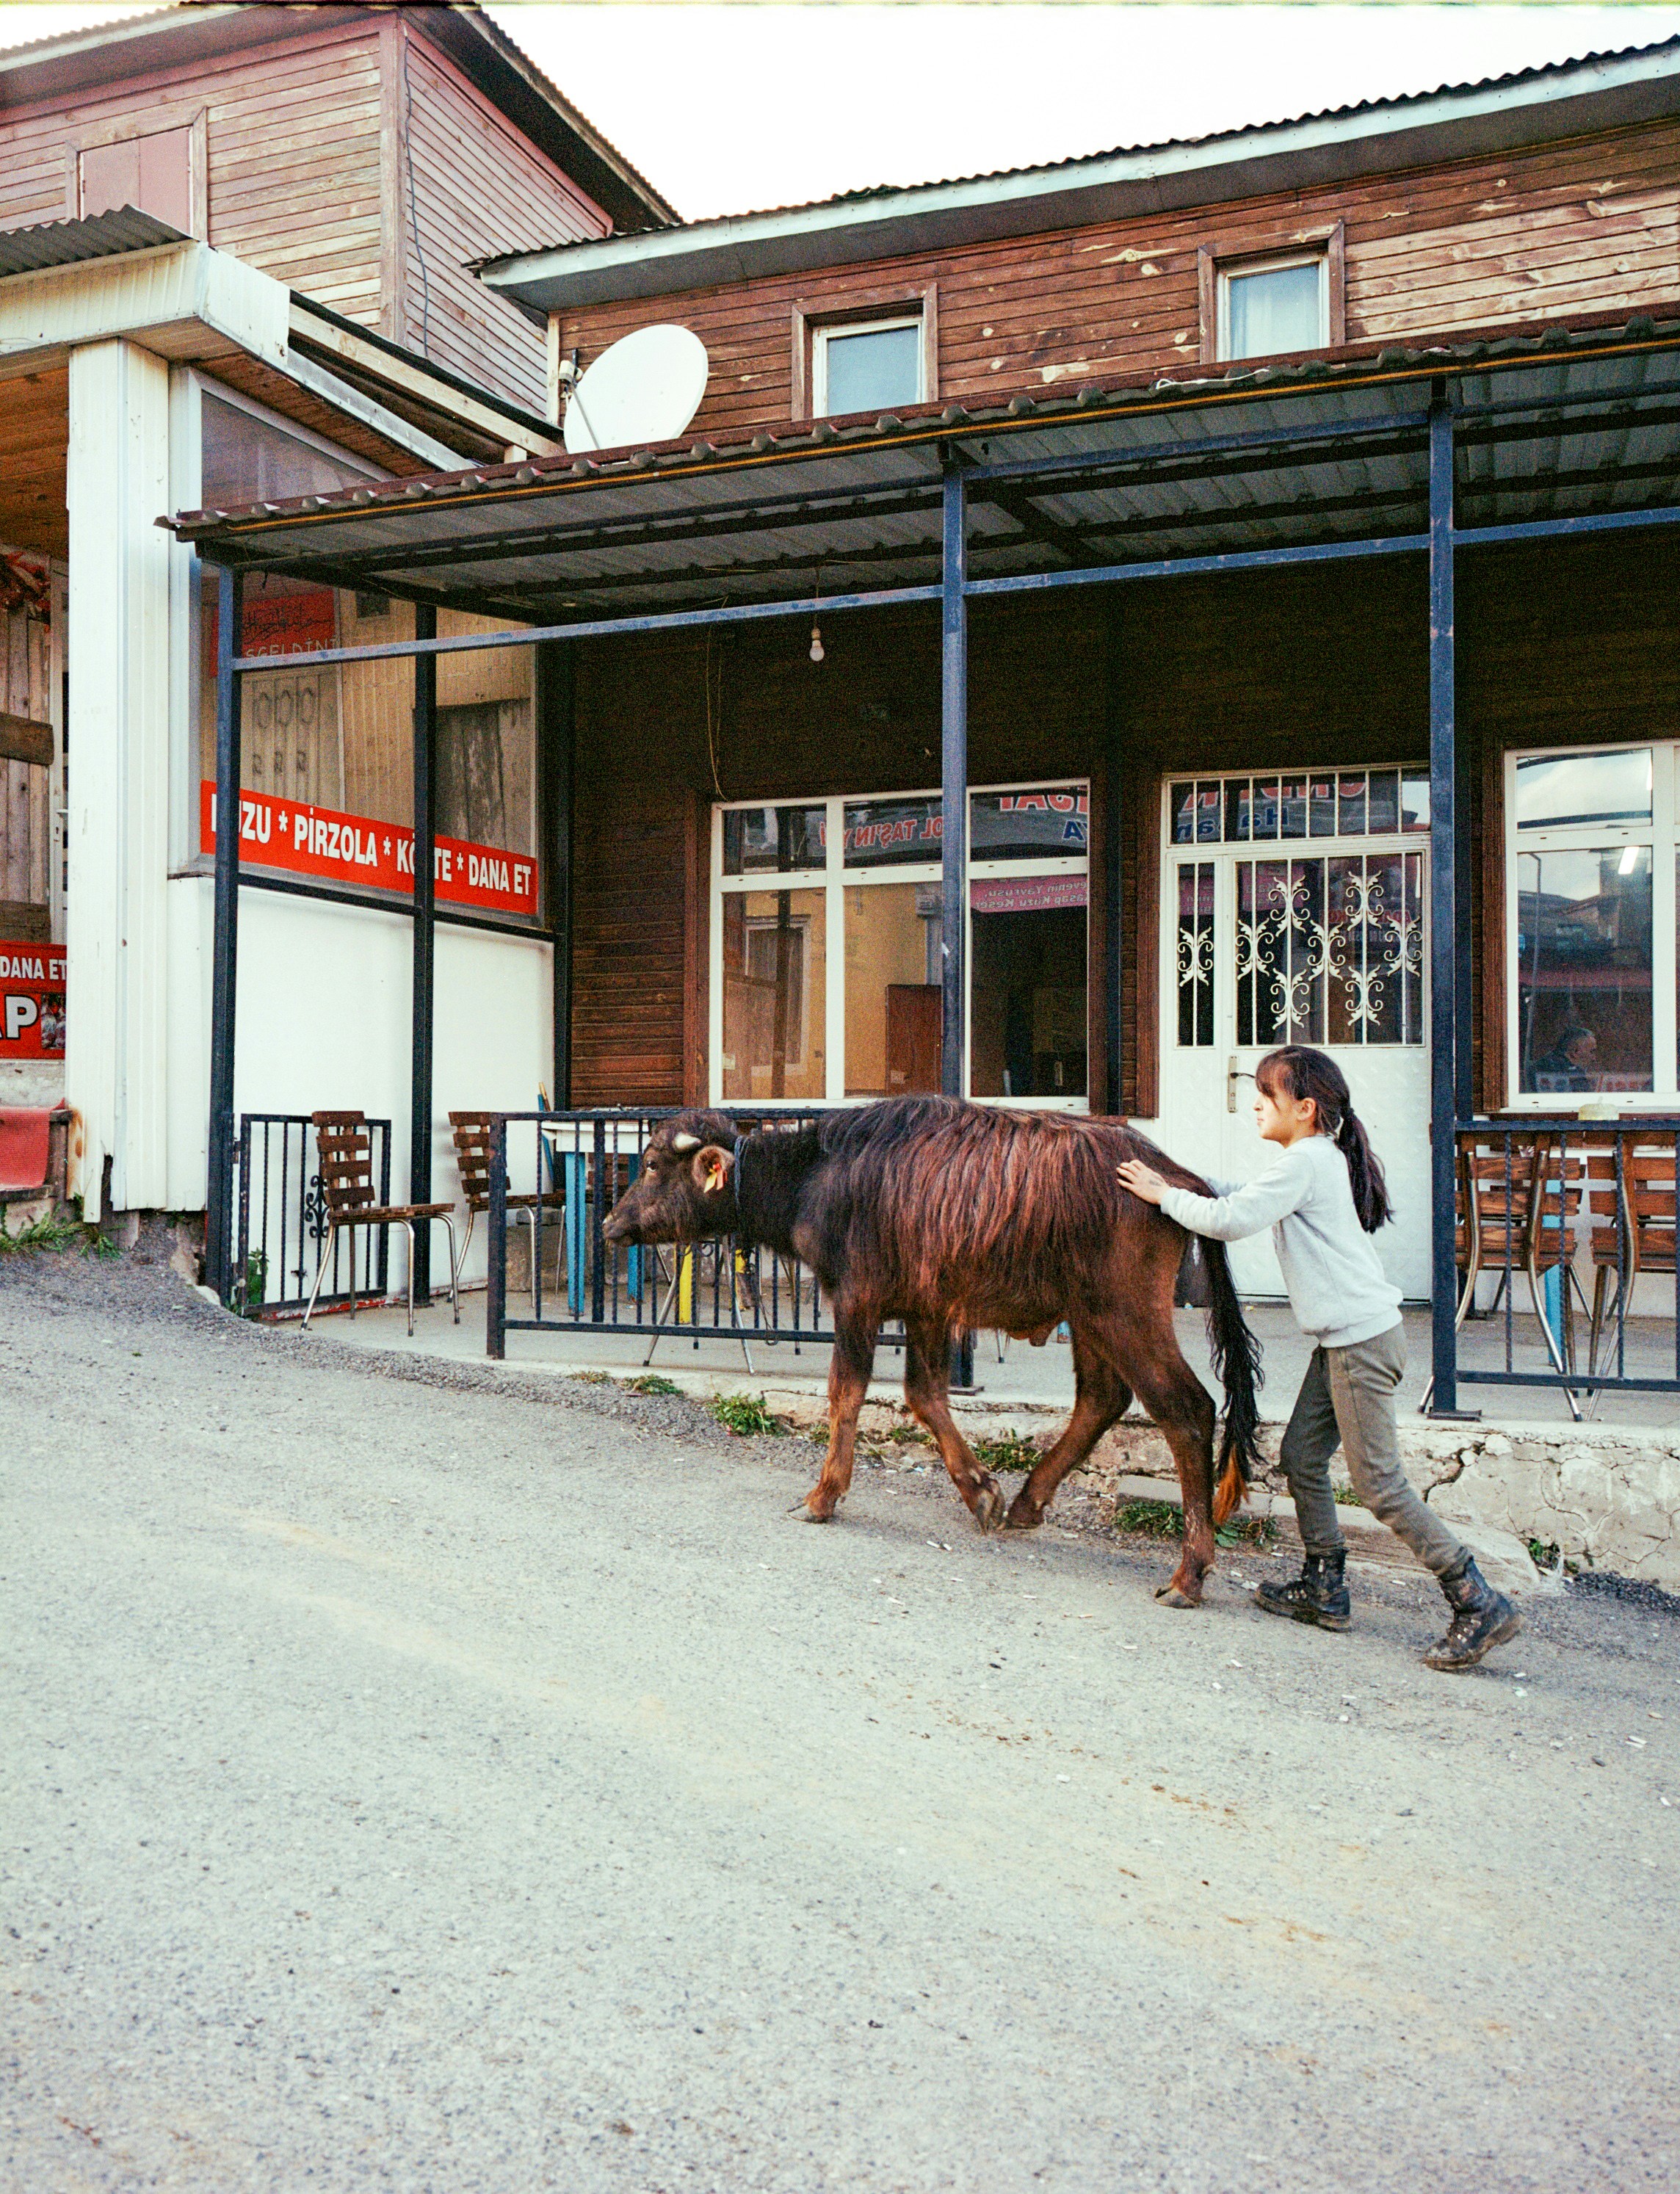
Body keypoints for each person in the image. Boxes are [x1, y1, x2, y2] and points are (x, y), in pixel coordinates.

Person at [1117, 1045, 1521, 1672]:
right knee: (1302, 1455)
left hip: (1361, 1343)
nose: (1255, 1103)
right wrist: (1179, 1183)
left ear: (1304, 1110)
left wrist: (1163, 1196)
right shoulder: (1309, 1159)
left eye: (1267, 1095)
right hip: (1346, 1340)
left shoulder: (1306, 1161)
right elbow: (1239, 1193)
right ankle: (1324, 1586)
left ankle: (1475, 1599)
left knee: (1380, 1487)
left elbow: (1229, 1219)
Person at [1530, 1023, 1598, 1093]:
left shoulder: (1547, 1064)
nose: (1594, 1059)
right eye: (1592, 1052)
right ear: (1576, 1052)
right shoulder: (1569, 1073)